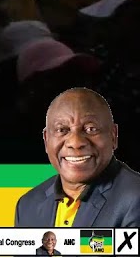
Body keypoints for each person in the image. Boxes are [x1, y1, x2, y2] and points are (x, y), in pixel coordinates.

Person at [14, 88, 140, 228]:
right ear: (46, 140)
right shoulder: (27, 205)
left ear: (113, 136)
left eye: (91, 129)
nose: (75, 142)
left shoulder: (135, 198)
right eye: (62, 130)